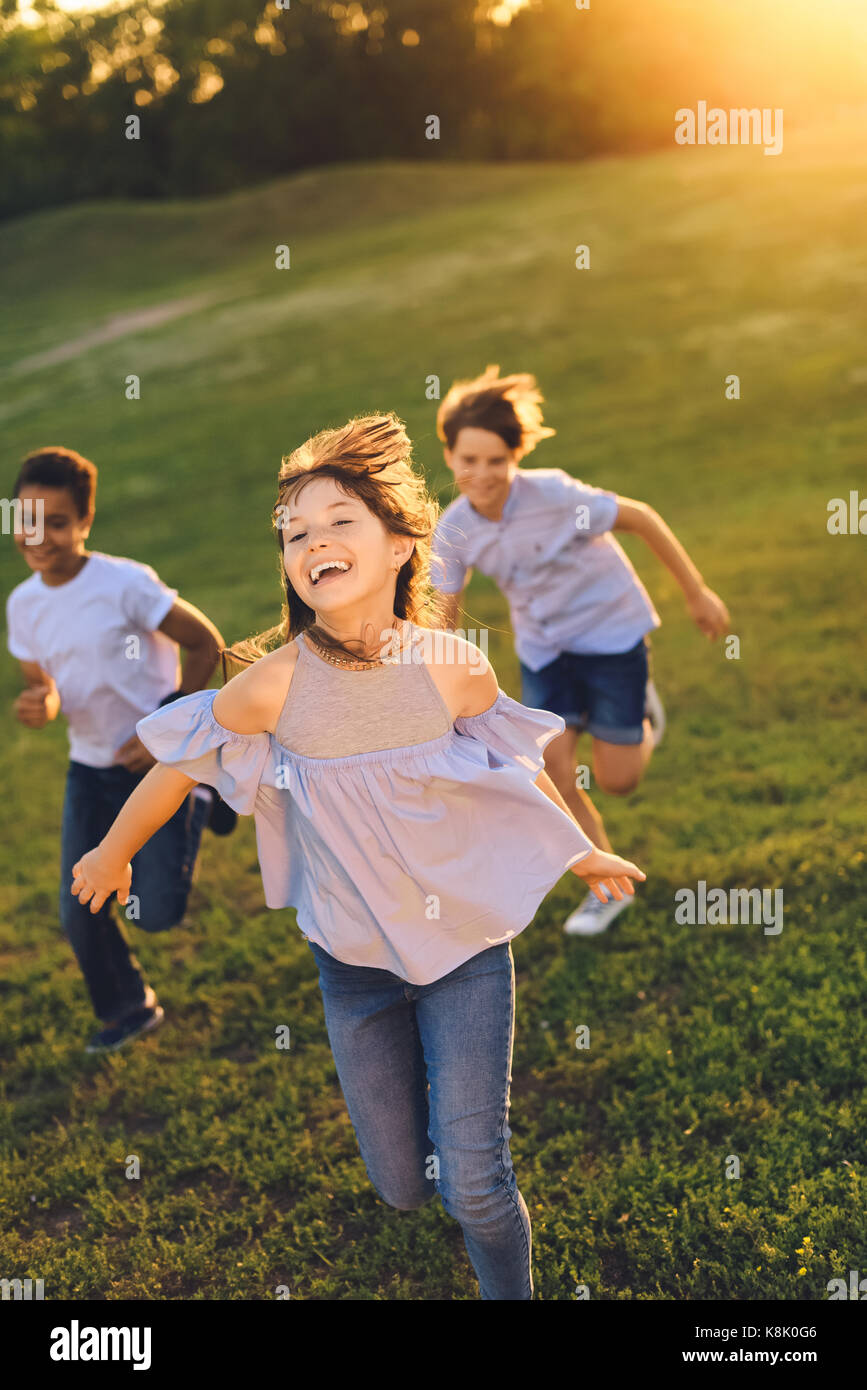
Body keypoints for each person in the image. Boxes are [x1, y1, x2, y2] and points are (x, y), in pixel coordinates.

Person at [69, 413, 644, 1300]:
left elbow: (512, 773)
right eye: (295, 532)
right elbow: (179, 765)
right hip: (354, 969)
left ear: (400, 544)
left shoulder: (453, 669)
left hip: (463, 952)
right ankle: (429, 1126)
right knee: (405, 1188)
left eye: (339, 521)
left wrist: (580, 855)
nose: (313, 541)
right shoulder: (274, 684)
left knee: (476, 1188)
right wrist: (111, 851)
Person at [430, 365, 729, 936]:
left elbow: (640, 518)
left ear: (515, 457)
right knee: (553, 770)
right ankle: (606, 889)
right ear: (449, 456)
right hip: (546, 652)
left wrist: (697, 593)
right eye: (469, 461)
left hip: (611, 636)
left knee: (618, 781)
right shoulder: (455, 529)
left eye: (497, 461)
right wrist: (435, 685)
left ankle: (640, 715)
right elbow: (443, 618)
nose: (483, 474)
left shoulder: (556, 496)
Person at [6, 446, 236, 1054]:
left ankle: (202, 793)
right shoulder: (22, 605)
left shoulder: (124, 584)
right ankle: (127, 1009)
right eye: (27, 519)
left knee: (155, 913)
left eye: (57, 521)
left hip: (158, 767)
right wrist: (41, 703)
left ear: (85, 522)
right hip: (89, 767)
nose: (40, 535)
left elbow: (205, 644)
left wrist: (165, 725)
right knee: (80, 904)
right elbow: (44, 684)